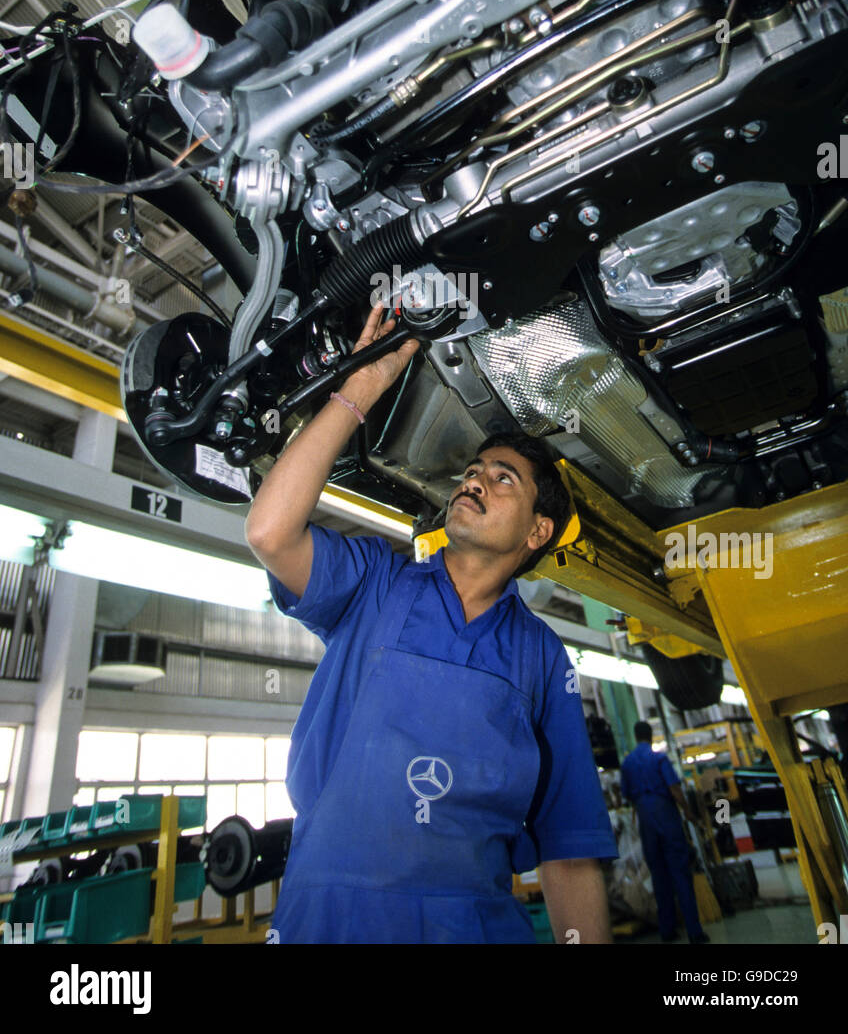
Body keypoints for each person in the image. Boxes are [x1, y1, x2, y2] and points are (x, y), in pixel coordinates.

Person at [245, 300, 618, 944]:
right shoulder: (375, 582)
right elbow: (270, 532)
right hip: (329, 918)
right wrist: (359, 390)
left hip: (473, 923)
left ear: (538, 530)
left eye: (503, 479)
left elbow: (569, 845)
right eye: (474, 471)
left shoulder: (540, 654)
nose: (475, 480)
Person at [620, 721, 710, 944]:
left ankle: (667, 930)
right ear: (651, 737)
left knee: (658, 876)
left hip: (645, 818)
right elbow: (674, 788)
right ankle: (694, 932)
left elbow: (626, 795)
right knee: (680, 872)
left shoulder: (627, 764)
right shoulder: (659, 759)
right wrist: (689, 812)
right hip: (665, 815)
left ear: (635, 736)